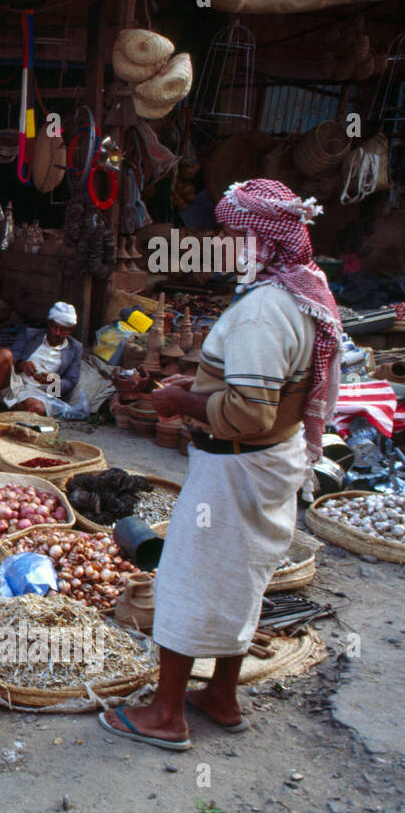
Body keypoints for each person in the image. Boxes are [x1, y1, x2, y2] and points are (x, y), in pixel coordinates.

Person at [99, 179, 341, 750]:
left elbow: (250, 411)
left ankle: (165, 714)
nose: (224, 245)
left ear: (260, 238)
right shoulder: (304, 292)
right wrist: (198, 383)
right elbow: (267, 393)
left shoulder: (263, 312)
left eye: (233, 235)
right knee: (242, 581)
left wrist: (183, 403)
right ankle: (222, 698)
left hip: (236, 466)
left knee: (189, 578)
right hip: (271, 462)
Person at [0, 302, 82, 415]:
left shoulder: (75, 348)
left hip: (37, 392)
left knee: (37, 409)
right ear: (49, 324)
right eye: (55, 327)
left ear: (71, 330)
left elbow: (71, 381)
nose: (58, 333)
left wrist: (53, 381)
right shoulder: (30, 334)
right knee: (4, 354)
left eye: (64, 329)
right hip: (14, 381)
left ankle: (4, 402)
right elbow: (13, 357)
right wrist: (22, 364)